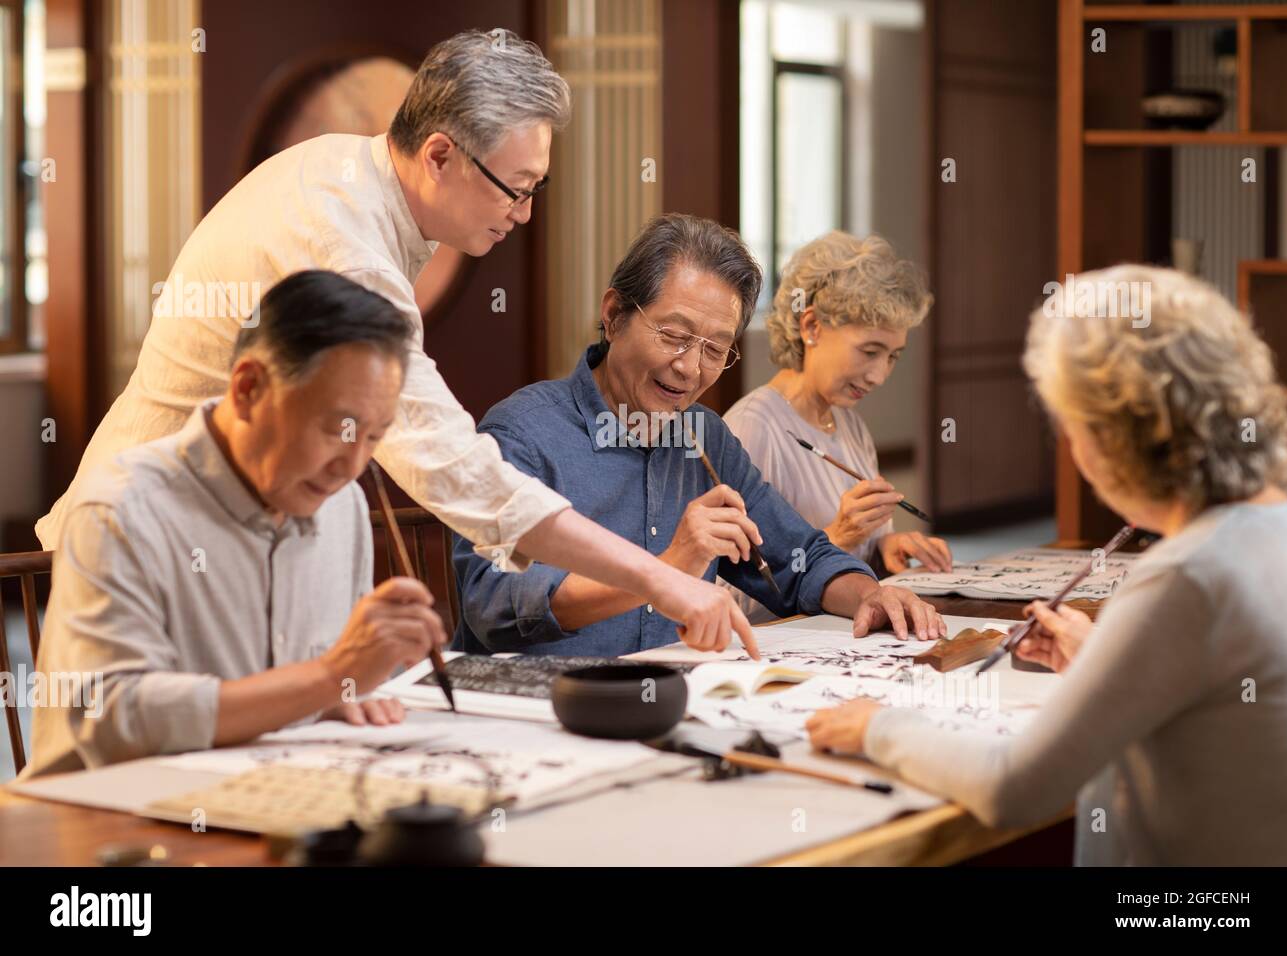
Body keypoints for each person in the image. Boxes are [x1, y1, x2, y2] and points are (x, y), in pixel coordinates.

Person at [35, 29, 751, 653]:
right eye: (517, 188)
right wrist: (660, 577)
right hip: (149, 535)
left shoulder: (353, 169)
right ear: (440, 155)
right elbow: (453, 467)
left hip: (238, 527)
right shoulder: (343, 240)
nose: (526, 214)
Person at [807, 265, 1287, 865]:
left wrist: (876, 727)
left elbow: (1014, 787)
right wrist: (1104, 660)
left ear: (1115, 433)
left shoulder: (1189, 575)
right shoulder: (1281, 524)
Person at [451, 214, 945, 657]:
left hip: (671, 706)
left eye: (715, 348)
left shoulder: (703, 436)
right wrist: (666, 569)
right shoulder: (524, 432)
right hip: (539, 718)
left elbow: (799, 559)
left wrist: (871, 593)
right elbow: (493, 605)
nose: (690, 368)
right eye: (673, 335)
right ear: (614, 314)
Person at [22, 272, 445, 777]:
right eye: (337, 429)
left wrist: (346, 695)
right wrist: (329, 678)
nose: (351, 465)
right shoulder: (122, 509)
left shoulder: (342, 506)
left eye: (373, 437)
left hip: (271, 801)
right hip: (108, 830)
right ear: (247, 389)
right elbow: (111, 720)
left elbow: (319, 688)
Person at [724, 232, 951, 588]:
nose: (879, 376)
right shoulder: (754, 428)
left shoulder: (850, 424)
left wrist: (883, 548)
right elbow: (732, 592)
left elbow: (853, 564)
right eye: (869, 351)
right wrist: (838, 535)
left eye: (892, 356)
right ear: (811, 326)